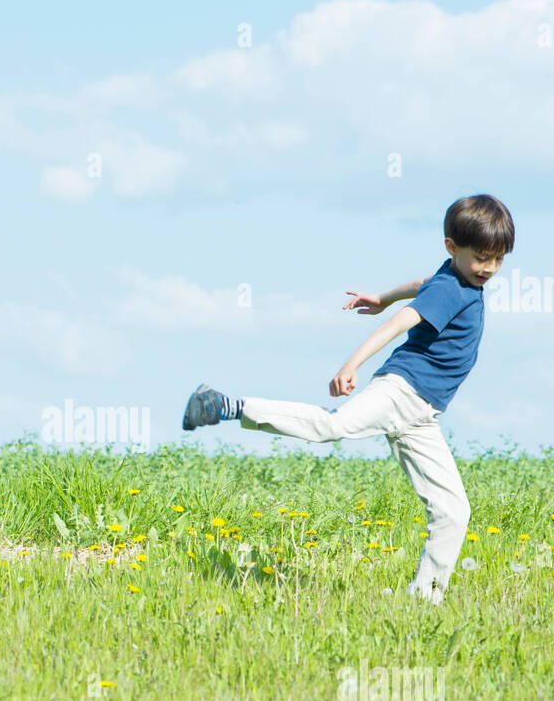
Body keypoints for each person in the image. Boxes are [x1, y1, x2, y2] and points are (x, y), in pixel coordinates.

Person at [181, 194, 514, 605]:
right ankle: (226, 405)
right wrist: (351, 365)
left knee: (454, 511)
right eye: (483, 258)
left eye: (498, 260)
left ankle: (423, 601)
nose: (490, 269)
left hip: (420, 414)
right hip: (400, 391)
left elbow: (420, 286)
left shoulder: (454, 278)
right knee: (332, 426)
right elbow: (400, 323)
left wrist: (382, 296)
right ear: (452, 248)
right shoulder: (453, 288)